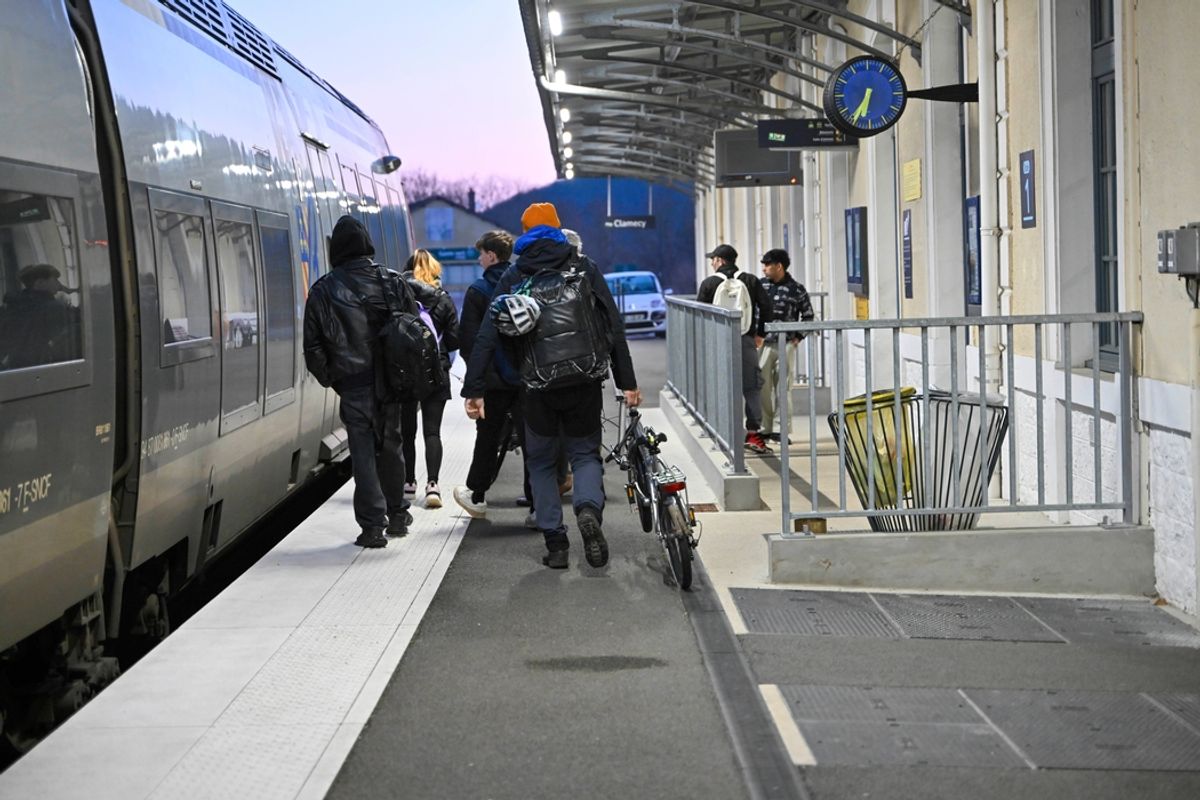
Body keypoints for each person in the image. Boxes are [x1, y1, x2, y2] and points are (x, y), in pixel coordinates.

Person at [462, 202, 641, 570]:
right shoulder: (583, 266)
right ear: (558, 229)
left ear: (525, 233)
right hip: (584, 381)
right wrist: (628, 382)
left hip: (535, 387)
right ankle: (588, 510)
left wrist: (474, 389)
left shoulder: (515, 274)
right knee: (585, 454)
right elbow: (613, 326)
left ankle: (556, 543)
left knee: (541, 462)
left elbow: (486, 336)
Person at [303, 215, 415, 548]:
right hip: (390, 383)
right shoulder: (393, 281)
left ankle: (371, 528)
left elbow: (313, 346)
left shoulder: (323, 289)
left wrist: (333, 378)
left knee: (363, 452)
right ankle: (397, 515)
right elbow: (412, 329)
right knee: (392, 445)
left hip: (353, 384)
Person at [452, 230, 528, 519]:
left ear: (491, 255)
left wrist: (476, 383)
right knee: (532, 439)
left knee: (487, 438)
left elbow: (469, 342)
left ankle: (477, 495)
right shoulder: (524, 284)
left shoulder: (478, 291)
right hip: (525, 379)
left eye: (481, 254)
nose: (479, 259)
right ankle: (537, 502)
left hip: (494, 382)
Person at [696, 243, 775, 454]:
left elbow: (699, 314)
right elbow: (766, 306)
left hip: (717, 341)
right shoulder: (750, 280)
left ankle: (724, 432)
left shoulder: (709, 283)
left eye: (713, 259)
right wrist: (759, 334)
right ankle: (753, 432)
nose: (712, 263)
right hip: (745, 339)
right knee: (751, 385)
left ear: (720, 261)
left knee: (719, 384)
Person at [400, 249, 460, 509]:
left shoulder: (399, 296)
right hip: (436, 371)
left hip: (404, 372)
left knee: (406, 431)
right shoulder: (443, 300)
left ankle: (408, 482)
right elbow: (456, 338)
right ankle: (433, 485)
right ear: (435, 272)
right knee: (432, 431)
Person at [758, 248, 814, 442]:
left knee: (783, 388)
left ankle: (781, 429)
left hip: (786, 344)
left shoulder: (796, 289)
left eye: (767, 265)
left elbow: (808, 317)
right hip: (763, 344)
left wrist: (797, 338)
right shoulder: (760, 286)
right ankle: (765, 426)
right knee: (762, 386)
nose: (764, 269)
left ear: (779, 266)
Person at [0, 263, 81, 371]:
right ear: (40, 283)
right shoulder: (52, 308)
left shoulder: (15, 305)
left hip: (14, 367)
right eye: (55, 280)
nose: (59, 284)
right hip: (42, 369)